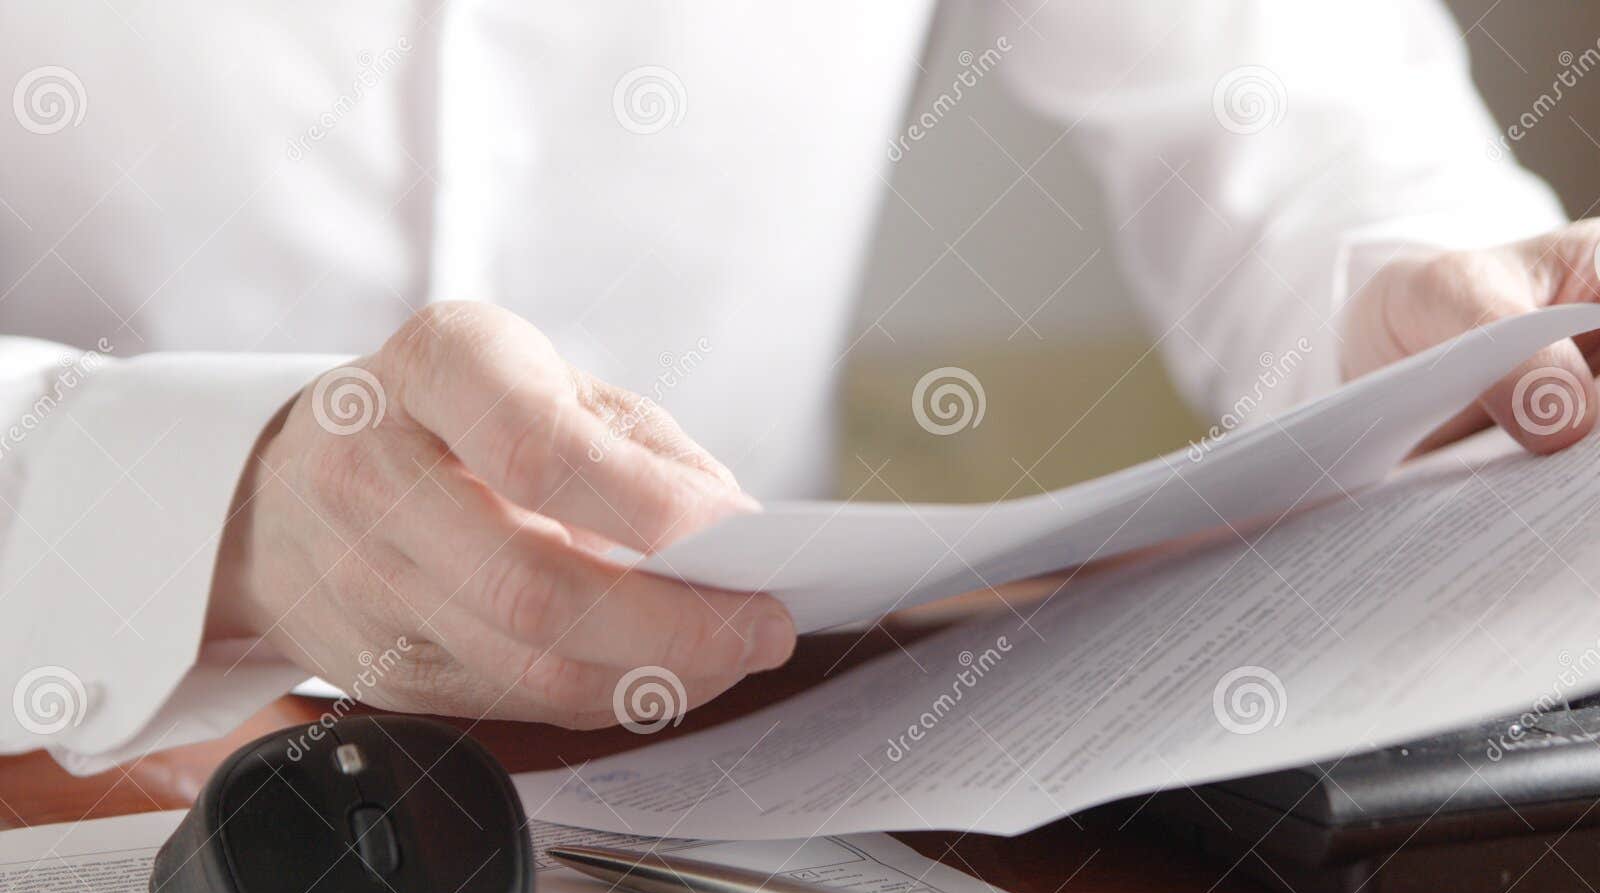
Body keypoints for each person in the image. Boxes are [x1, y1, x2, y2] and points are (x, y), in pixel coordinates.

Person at [1, 0, 1594, 772]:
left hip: (751, 787)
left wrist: (1430, 300)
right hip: (65, 774)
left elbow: (1287, 100)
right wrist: (201, 505)